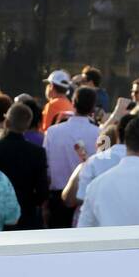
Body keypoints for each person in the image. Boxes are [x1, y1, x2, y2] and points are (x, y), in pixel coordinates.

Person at [0, 102, 49, 229]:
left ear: (6, 122)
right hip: (26, 216)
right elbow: (42, 193)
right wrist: (27, 202)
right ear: (28, 125)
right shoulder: (37, 153)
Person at [44, 86, 101, 226]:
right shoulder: (101, 134)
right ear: (93, 107)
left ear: (73, 103)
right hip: (86, 198)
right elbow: (103, 167)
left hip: (58, 198)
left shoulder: (52, 132)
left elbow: (46, 168)